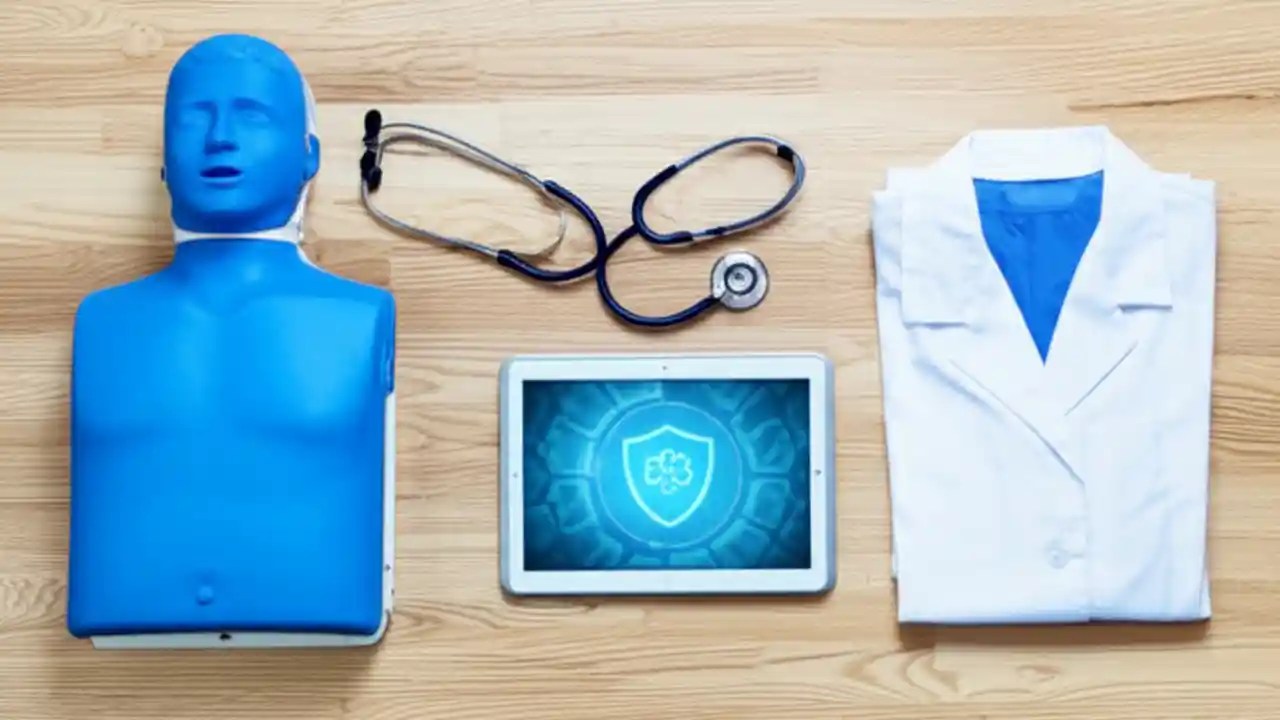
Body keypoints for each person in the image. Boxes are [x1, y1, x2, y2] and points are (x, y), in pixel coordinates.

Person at [67, 34, 394, 644]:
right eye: (195, 115)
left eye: (251, 114)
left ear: (309, 156)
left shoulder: (361, 315)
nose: (220, 136)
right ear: (164, 160)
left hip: (325, 623)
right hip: (120, 632)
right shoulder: (101, 319)